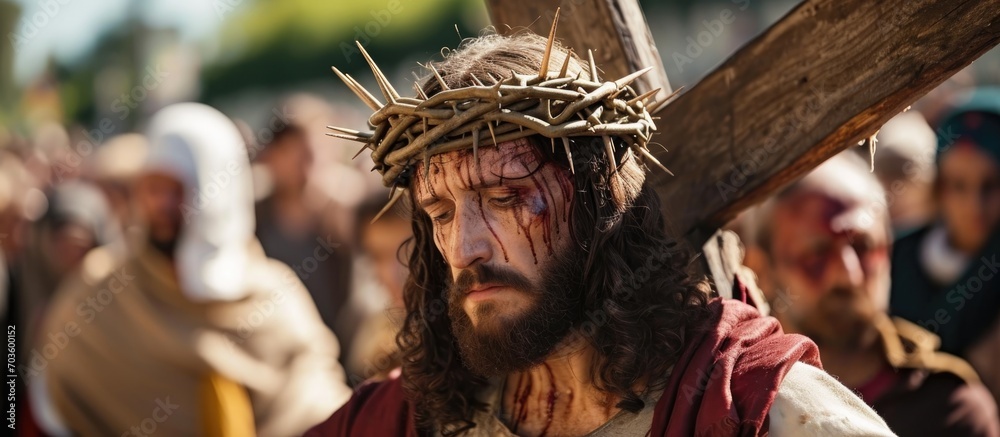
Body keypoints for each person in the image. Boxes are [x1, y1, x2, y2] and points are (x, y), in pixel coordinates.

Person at [307, 30, 895, 436]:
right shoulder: (400, 421)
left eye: (507, 198)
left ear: (599, 202)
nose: (465, 248)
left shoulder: (759, 411)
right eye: (440, 213)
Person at [29, 103, 351, 436]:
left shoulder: (277, 296)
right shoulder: (98, 294)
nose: (161, 205)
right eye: (153, 187)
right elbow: (55, 400)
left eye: (178, 189)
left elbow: (320, 402)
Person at [745, 153, 999, 436]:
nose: (849, 275)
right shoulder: (739, 404)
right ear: (761, 270)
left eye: (864, 247)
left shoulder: (949, 409)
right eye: (817, 253)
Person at [890, 88, 1000, 402]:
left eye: (991, 185)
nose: (974, 205)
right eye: (958, 186)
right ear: (939, 187)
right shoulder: (899, 257)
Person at [253, 122, 355, 354]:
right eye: (291, 152)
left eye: (309, 153)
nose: (302, 163)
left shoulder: (336, 212)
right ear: (271, 156)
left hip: (341, 347)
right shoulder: (256, 216)